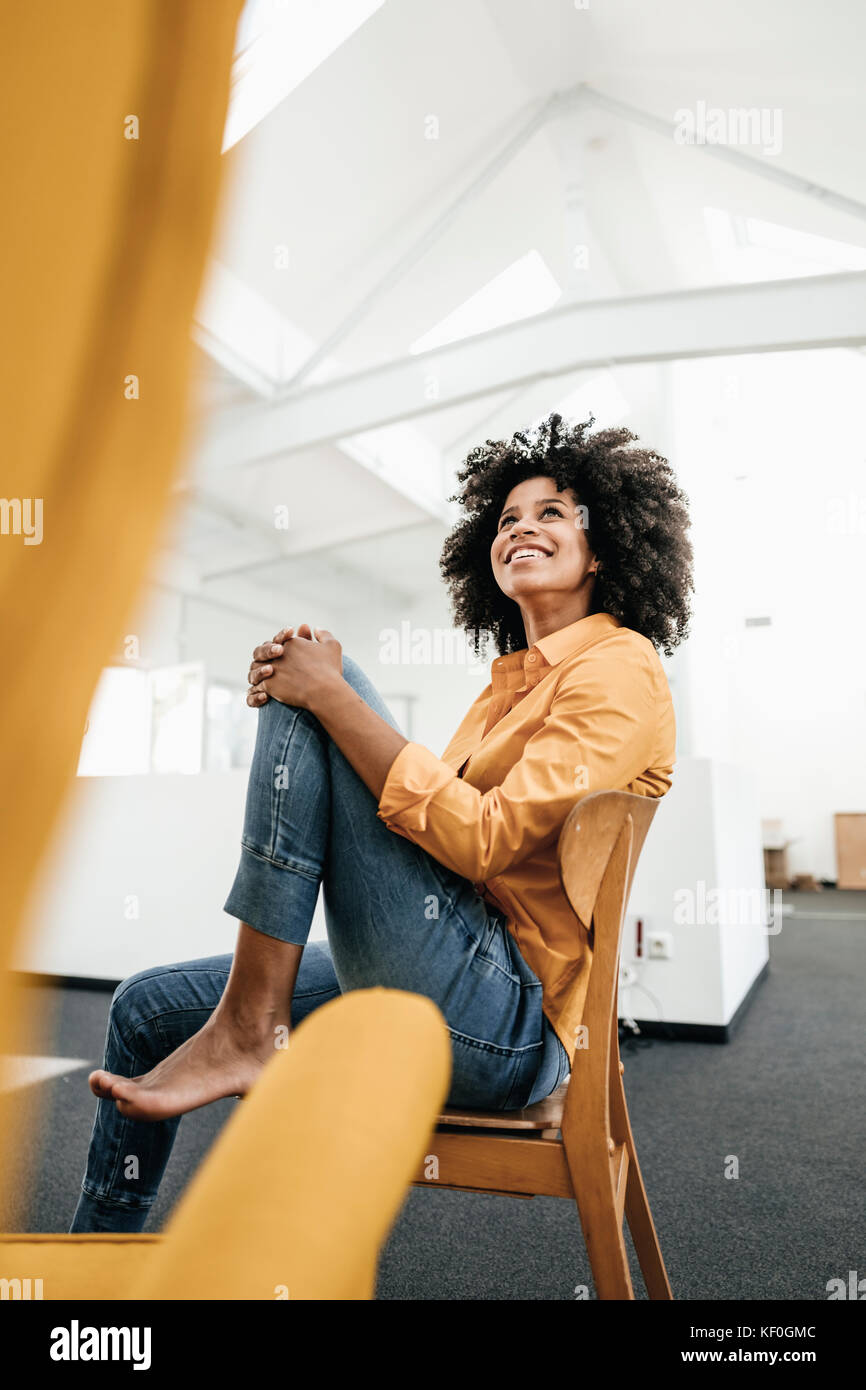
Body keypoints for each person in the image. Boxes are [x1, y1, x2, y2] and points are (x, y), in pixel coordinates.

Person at [70, 412, 692, 1233]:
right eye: (507, 519)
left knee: (325, 674)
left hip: (503, 1022)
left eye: (552, 513)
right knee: (147, 1007)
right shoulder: (509, 686)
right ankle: (99, 1253)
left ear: (604, 546)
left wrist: (325, 694)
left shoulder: (620, 667)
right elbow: (433, 831)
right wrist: (325, 706)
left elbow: (486, 840)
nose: (521, 529)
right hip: (456, 960)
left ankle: (253, 1026)